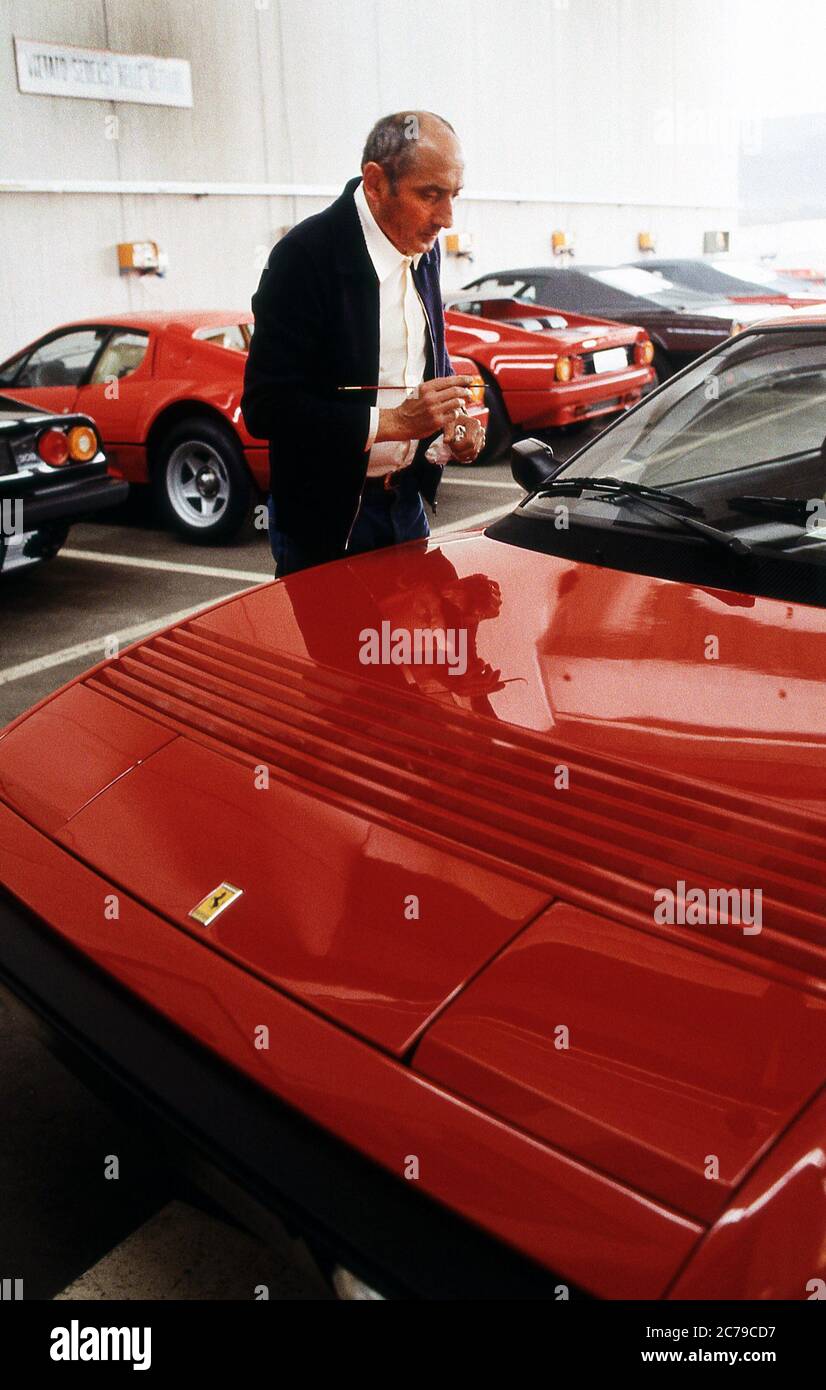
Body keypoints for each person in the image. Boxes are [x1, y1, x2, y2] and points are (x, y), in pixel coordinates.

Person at [241, 110, 485, 576]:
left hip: (405, 505)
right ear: (375, 183)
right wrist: (392, 422)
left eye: (454, 195)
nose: (447, 218)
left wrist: (453, 426)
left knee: (413, 650)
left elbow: (425, 363)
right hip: (327, 523)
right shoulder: (304, 257)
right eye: (430, 195)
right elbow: (266, 407)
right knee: (335, 651)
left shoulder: (422, 248)